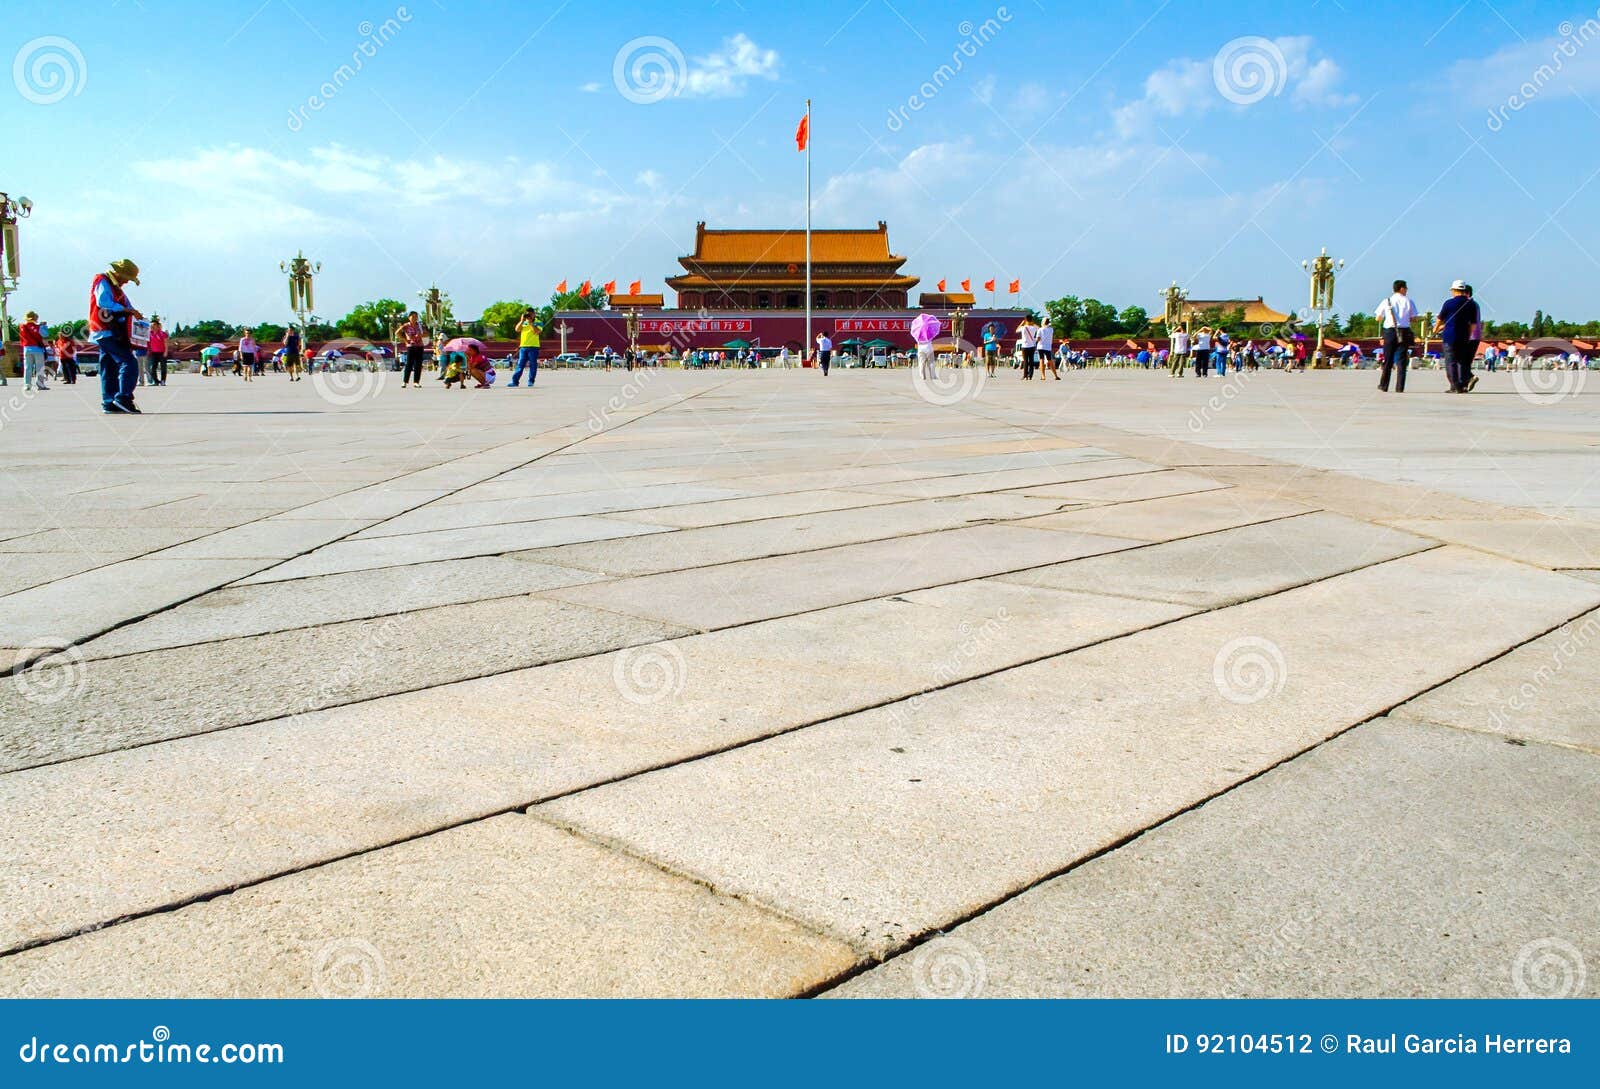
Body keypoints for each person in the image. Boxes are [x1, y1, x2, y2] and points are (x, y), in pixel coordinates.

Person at [90, 258, 144, 413]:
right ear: (119, 273)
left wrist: (133, 312)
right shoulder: (102, 280)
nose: (126, 282)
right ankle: (123, 398)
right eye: (127, 278)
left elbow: (128, 306)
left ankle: (109, 402)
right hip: (106, 330)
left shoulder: (117, 289)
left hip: (111, 331)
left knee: (109, 367)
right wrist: (127, 311)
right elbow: (104, 302)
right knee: (129, 362)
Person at [1435, 280, 1481, 393]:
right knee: (1462, 361)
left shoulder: (1448, 303)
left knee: (1451, 362)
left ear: (1454, 290)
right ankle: (1462, 384)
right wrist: (1468, 334)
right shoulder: (1472, 304)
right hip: (1464, 337)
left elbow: (1440, 319)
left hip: (1449, 336)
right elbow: (1473, 324)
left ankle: (1455, 386)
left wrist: (1435, 329)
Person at [1375, 279, 1417, 393]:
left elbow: (1378, 317)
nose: (1407, 290)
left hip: (1389, 332)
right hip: (1404, 332)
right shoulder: (1409, 301)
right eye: (1406, 288)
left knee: (1388, 360)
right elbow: (1414, 318)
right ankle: (1400, 387)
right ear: (1402, 288)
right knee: (1402, 361)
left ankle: (1384, 385)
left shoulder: (1387, 301)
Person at [510, 309, 540, 388]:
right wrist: (521, 321)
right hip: (523, 347)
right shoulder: (523, 322)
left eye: (530, 314)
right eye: (527, 314)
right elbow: (517, 329)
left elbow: (537, 331)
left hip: (534, 347)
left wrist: (531, 323)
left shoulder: (538, 321)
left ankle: (531, 381)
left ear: (534, 314)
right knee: (520, 364)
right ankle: (515, 381)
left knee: (533, 365)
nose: (529, 316)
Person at [19, 312, 48, 391]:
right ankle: (40, 385)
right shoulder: (38, 327)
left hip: (26, 348)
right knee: (39, 368)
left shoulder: (22, 326)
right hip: (38, 349)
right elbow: (45, 335)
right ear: (34, 318)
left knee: (27, 368)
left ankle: (27, 385)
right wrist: (44, 326)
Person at [399, 312, 424, 387]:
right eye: (413, 316)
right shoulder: (406, 325)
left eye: (416, 316)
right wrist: (405, 340)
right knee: (409, 364)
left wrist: (420, 335)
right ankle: (405, 382)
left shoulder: (420, 325)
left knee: (418, 365)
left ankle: (416, 382)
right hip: (411, 346)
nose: (415, 318)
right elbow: (397, 332)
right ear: (409, 317)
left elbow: (426, 333)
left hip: (420, 346)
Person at [145, 317, 168, 386]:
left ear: (157, 326)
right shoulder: (149, 334)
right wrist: (148, 351)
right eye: (151, 325)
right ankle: (156, 381)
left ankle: (163, 381)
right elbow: (148, 343)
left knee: (163, 367)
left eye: (153, 325)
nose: (152, 326)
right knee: (152, 368)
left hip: (162, 353)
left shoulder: (162, 334)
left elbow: (166, 343)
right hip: (153, 353)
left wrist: (166, 352)